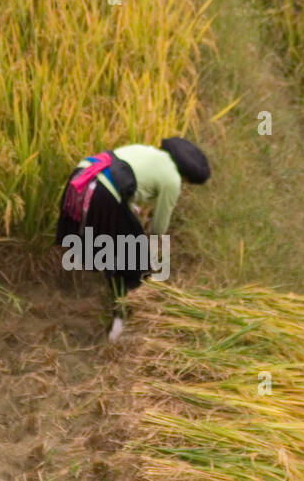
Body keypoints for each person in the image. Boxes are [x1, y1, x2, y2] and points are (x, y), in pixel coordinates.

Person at [55, 137, 210, 342]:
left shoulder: (144, 150)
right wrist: (153, 260)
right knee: (134, 264)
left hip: (81, 176)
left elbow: (120, 175)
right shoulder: (173, 179)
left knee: (116, 251)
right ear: (188, 177)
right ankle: (121, 322)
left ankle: (83, 294)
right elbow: (158, 227)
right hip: (102, 192)